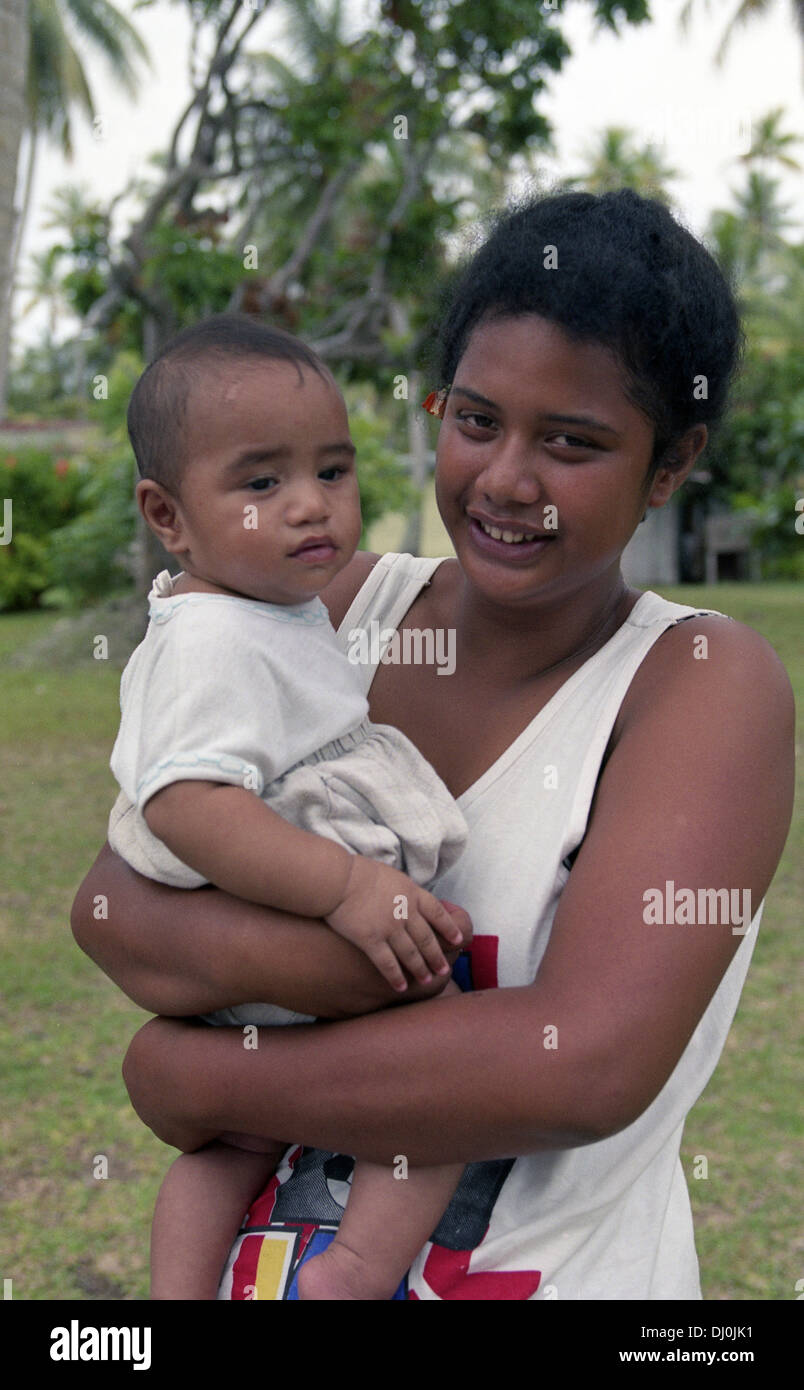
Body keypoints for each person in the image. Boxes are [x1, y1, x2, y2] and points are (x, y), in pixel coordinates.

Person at [72, 188, 794, 1301]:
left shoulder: (697, 681)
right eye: (477, 421)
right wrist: (363, 974)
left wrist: (195, 1069)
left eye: (573, 442)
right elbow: (117, 906)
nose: (506, 479)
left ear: (670, 463)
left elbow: (583, 1065)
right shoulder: (319, 614)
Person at [105, 314, 472, 1301]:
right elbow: (185, 803)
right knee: (448, 1067)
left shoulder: (263, 609)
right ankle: (354, 1267)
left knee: (237, 1141)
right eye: (262, 483)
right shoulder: (210, 640)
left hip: (251, 964)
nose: (312, 504)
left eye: (333, 471)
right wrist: (346, 887)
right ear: (168, 515)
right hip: (296, 926)